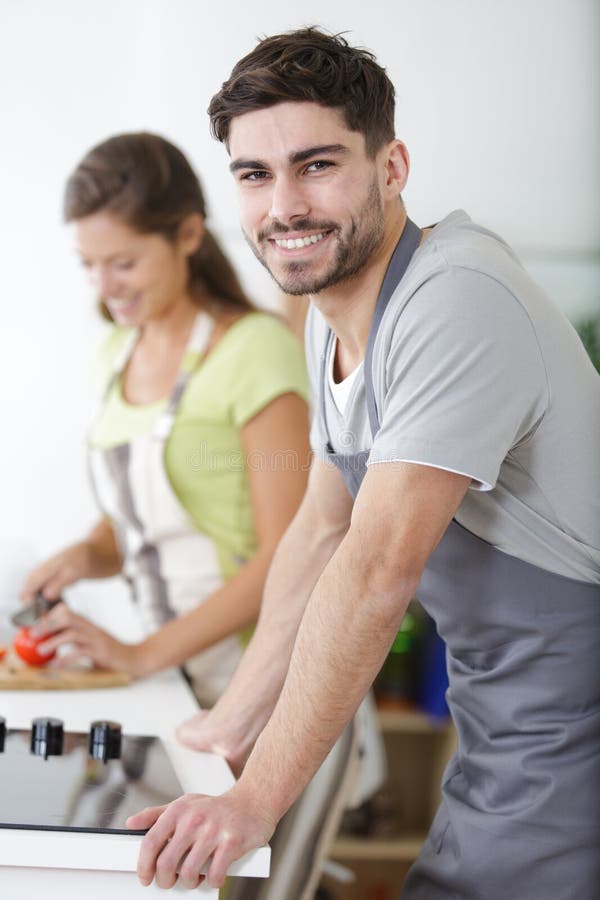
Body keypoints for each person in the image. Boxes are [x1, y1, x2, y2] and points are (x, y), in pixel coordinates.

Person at [126, 28, 600, 899]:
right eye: (255, 175)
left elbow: (378, 566)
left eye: (318, 165)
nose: (284, 208)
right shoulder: (334, 317)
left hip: (575, 733)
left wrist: (256, 801)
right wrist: (228, 727)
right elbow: (319, 531)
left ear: (392, 168)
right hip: (503, 731)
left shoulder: (456, 298)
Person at [21, 131, 311, 708]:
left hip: (259, 686)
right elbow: (141, 521)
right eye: (90, 266)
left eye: (123, 263)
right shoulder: (117, 354)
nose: (105, 289)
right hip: (167, 680)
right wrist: (90, 553)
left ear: (187, 234)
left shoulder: (255, 351)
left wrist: (143, 654)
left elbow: (292, 554)